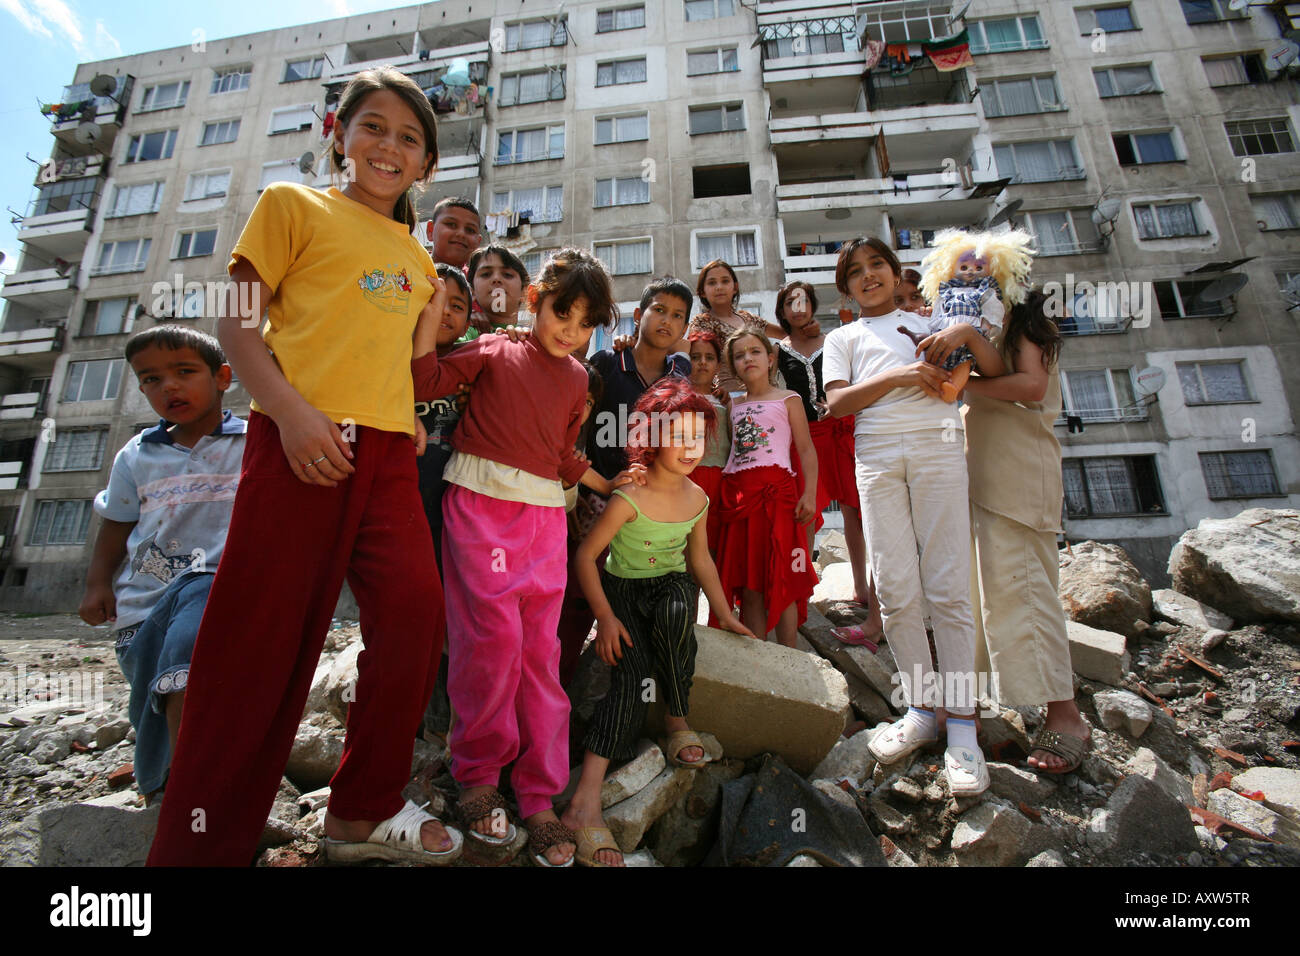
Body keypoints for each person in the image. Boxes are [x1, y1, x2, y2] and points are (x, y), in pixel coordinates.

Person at [148, 67, 461, 867]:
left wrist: (422, 404)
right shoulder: (293, 206)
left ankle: (361, 807)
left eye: (409, 138)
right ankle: (201, 844)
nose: (389, 147)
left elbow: (407, 367)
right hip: (297, 441)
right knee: (259, 642)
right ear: (340, 135)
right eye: (374, 127)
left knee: (419, 617)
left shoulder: (417, 257)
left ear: (426, 164)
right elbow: (239, 318)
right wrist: (287, 411)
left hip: (388, 457)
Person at [410, 248, 637, 867]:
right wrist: (433, 311)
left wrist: (609, 485)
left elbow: (564, 456)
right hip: (479, 506)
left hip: (544, 520)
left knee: (541, 655)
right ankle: (478, 776)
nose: (571, 329)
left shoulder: (575, 379)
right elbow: (425, 381)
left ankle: (538, 796)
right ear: (536, 300)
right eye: (563, 312)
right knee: (491, 642)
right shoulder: (494, 349)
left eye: (587, 322)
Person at [823, 237, 1006, 798]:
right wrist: (901, 378)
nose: (868, 276)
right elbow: (836, 403)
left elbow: (991, 370)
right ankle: (921, 710)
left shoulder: (933, 317)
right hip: (877, 458)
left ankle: (963, 730)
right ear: (847, 287)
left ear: (894, 270)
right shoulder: (843, 337)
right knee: (898, 588)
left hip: (939, 447)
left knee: (948, 589)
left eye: (876, 264)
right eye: (855, 272)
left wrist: (966, 334)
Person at [561, 379, 755, 866]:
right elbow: (586, 557)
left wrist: (725, 614)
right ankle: (584, 803)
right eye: (679, 435)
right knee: (629, 679)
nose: (691, 447)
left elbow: (700, 560)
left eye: (698, 436)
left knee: (675, 614)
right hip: (623, 592)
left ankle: (676, 719)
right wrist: (604, 619)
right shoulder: (630, 496)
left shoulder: (697, 498)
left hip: (669, 587)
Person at [79, 326, 245, 805]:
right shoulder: (138, 454)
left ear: (222, 377)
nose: (169, 387)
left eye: (184, 372)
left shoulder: (253, 442)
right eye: (151, 379)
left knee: (189, 663)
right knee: (150, 702)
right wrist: (97, 585)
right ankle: (161, 787)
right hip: (142, 606)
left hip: (214, 585)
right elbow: (116, 524)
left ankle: (194, 788)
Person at [961, 291, 1090, 774]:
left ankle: (1067, 716)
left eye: (986, 273)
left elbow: (1033, 385)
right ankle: (968, 713)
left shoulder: (1027, 324)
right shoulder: (983, 326)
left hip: (1018, 475)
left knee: (1028, 591)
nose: (974, 281)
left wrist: (966, 384)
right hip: (985, 476)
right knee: (981, 597)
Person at [555, 277, 693, 686]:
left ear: (684, 329)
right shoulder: (605, 363)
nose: (667, 320)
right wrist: (581, 483)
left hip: (651, 510)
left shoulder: (680, 375)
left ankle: (626, 702)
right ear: (639, 315)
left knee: (637, 602)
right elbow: (575, 423)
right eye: (659, 310)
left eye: (678, 316)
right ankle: (555, 690)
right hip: (597, 501)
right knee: (578, 598)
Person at [772, 280, 880, 644]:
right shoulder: (776, 351)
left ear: (813, 305)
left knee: (856, 508)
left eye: (804, 300)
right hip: (805, 437)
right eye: (791, 302)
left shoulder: (835, 339)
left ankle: (862, 586)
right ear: (783, 310)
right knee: (806, 513)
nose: (798, 307)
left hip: (841, 431)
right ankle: (803, 587)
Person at [714, 329, 820, 647]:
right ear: (733, 367)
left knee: (783, 573)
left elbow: (805, 450)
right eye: (739, 355)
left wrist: (810, 494)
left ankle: (791, 654)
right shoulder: (732, 406)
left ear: (771, 358)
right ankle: (758, 657)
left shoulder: (789, 399)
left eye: (755, 351)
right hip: (740, 499)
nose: (748, 358)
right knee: (749, 583)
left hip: (779, 497)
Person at [683, 259, 783, 393]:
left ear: (735, 287)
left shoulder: (749, 318)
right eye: (712, 283)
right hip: (730, 397)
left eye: (725, 281)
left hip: (766, 395)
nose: (719, 287)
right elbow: (699, 362)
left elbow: (787, 334)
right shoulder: (702, 323)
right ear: (702, 292)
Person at [685, 329, 729, 555]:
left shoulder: (725, 401)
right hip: (686, 479)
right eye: (695, 357)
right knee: (686, 549)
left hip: (720, 482)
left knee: (714, 548)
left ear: (718, 365)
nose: (702, 363)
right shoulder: (678, 399)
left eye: (709, 358)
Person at [466, 243, 528, 336]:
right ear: (472, 291)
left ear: (524, 292)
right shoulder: (461, 334)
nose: (496, 279)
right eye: (486, 274)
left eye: (507, 275)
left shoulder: (532, 339)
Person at [428, 196, 482, 270]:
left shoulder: (477, 280)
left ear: (478, 243)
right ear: (430, 230)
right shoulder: (409, 267)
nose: (461, 234)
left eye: (470, 230)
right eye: (451, 224)